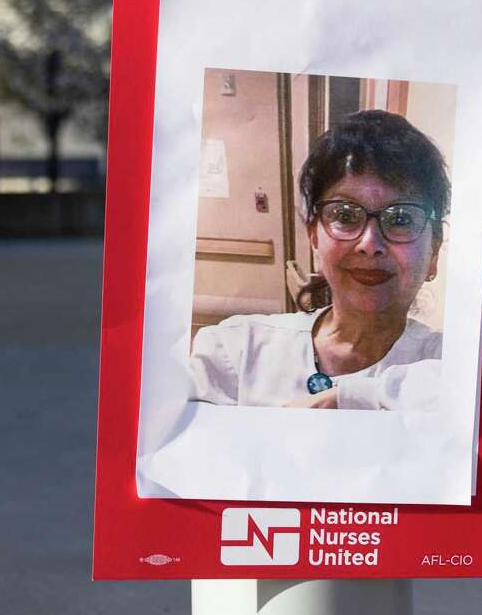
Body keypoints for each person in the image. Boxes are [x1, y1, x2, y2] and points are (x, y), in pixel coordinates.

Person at [189, 109, 449, 411]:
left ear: (433, 253)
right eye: (345, 215)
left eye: (401, 218)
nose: (369, 244)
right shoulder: (235, 351)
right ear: (314, 237)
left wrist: (351, 398)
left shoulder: (449, 365)